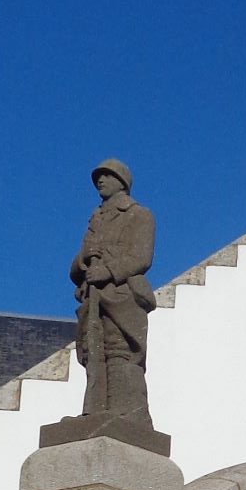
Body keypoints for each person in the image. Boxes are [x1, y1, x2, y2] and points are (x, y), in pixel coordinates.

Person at [71, 158, 158, 431]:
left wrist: (108, 270)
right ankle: (95, 410)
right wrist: (85, 260)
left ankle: (129, 415)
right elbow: (75, 265)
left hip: (122, 296)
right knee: (94, 351)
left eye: (107, 176)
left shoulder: (139, 215)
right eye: (98, 176)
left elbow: (141, 257)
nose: (100, 180)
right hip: (93, 296)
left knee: (121, 352)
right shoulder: (95, 219)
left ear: (121, 182)